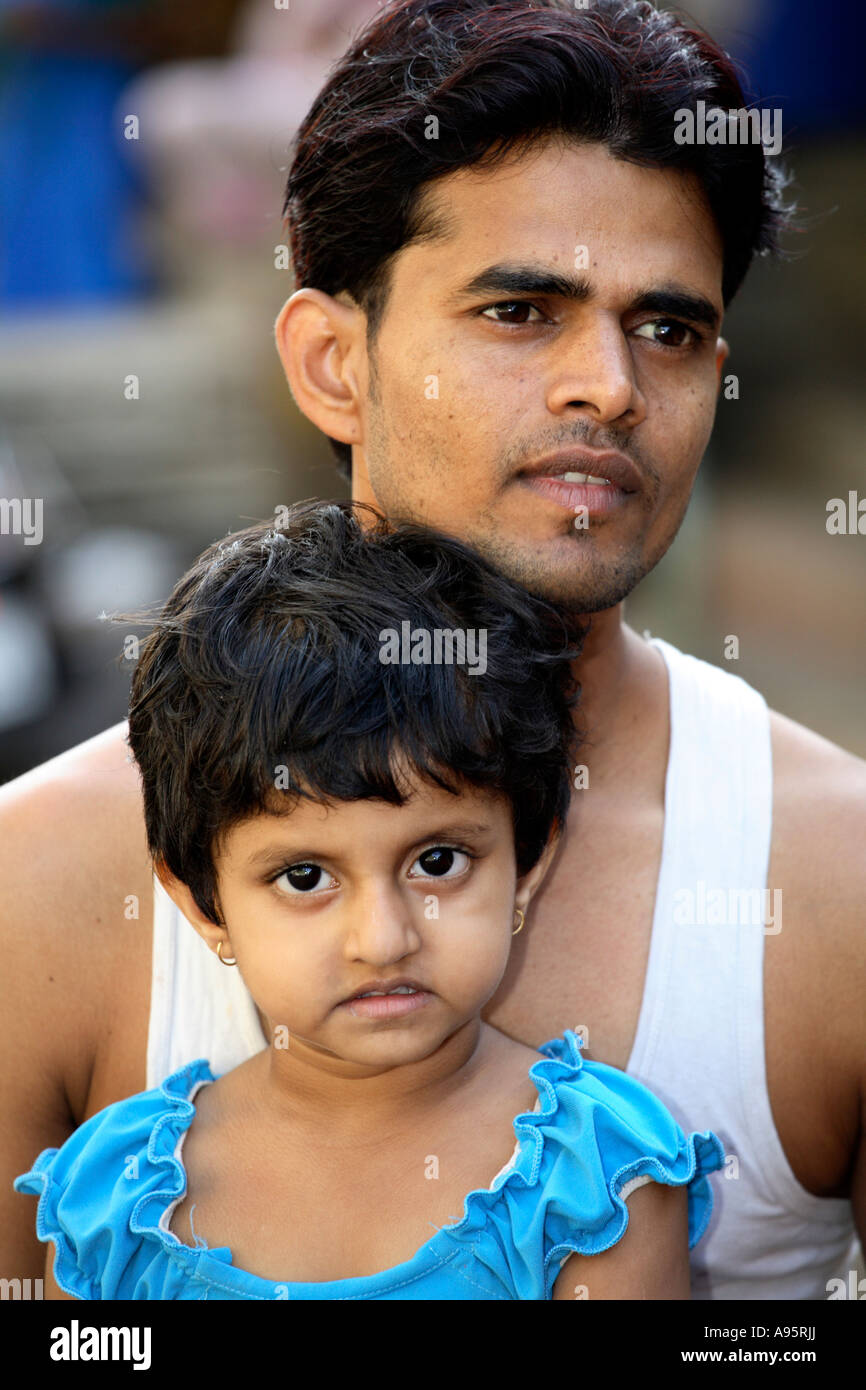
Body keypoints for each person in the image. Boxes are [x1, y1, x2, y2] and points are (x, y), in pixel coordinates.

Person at [2, 0, 864, 1301]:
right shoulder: (45, 881)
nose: (610, 386)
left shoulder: (833, 884)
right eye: (521, 310)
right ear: (332, 363)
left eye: (668, 329)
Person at [14, 504, 724, 1300]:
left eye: (438, 861)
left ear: (528, 860)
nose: (383, 940)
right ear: (201, 903)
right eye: (306, 878)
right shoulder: (110, 1206)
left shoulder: (594, 1183)